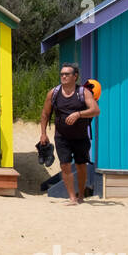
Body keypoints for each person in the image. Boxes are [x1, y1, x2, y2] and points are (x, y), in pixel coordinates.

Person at [38, 62, 100, 205]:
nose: (64, 76)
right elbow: (45, 114)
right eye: (62, 74)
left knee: (81, 165)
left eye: (67, 74)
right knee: (64, 165)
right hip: (61, 137)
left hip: (80, 137)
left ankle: (81, 196)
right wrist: (43, 133)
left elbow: (96, 110)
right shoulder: (53, 93)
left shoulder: (83, 92)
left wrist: (78, 114)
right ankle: (72, 198)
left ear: (75, 76)